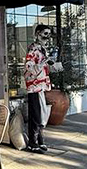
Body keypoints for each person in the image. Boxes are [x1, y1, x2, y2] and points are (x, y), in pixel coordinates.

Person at [24, 23, 62, 153]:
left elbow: (42, 67)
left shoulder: (42, 49)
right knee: (36, 115)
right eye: (45, 34)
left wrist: (53, 65)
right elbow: (29, 68)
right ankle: (32, 143)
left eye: (49, 34)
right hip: (34, 86)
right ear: (37, 34)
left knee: (41, 114)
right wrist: (43, 63)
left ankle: (40, 141)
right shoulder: (33, 49)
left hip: (41, 85)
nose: (47, 37)